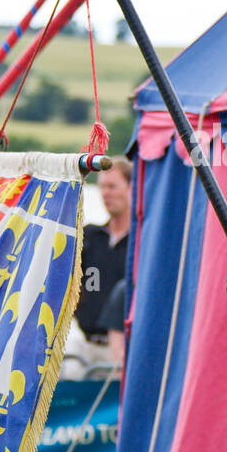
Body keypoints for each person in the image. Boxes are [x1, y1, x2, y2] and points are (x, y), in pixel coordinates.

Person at [63, 159, 132, 377]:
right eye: (102, 187)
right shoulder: (89, 237)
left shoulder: (141, 243)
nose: (106, 193)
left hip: (124, 349)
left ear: (132, 188)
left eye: (112, 186)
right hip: (85, 344)